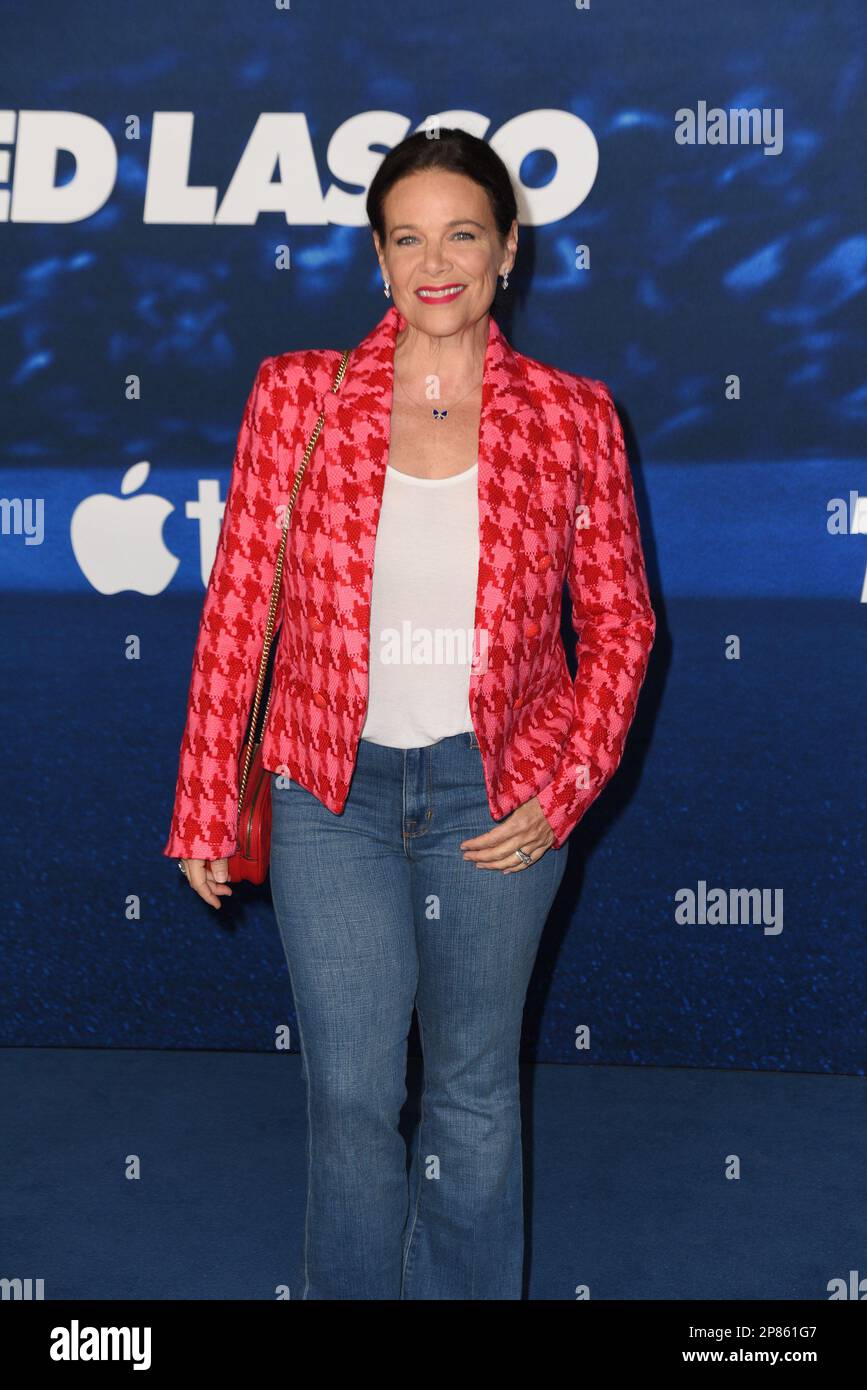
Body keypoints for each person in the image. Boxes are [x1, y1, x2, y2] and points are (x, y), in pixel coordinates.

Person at [163, 127, 656, 1300]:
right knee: (348, 1092)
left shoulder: (575, 417)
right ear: (378, 259)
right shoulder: (297, 399)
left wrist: (565, 784)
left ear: (508, 250)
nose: (437, 262)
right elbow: (242, 602)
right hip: (332, 792)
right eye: (408, 238)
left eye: (463, 234)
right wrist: (201, 803)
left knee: (476, 1091)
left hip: (498, 795)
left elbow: (624, 624)